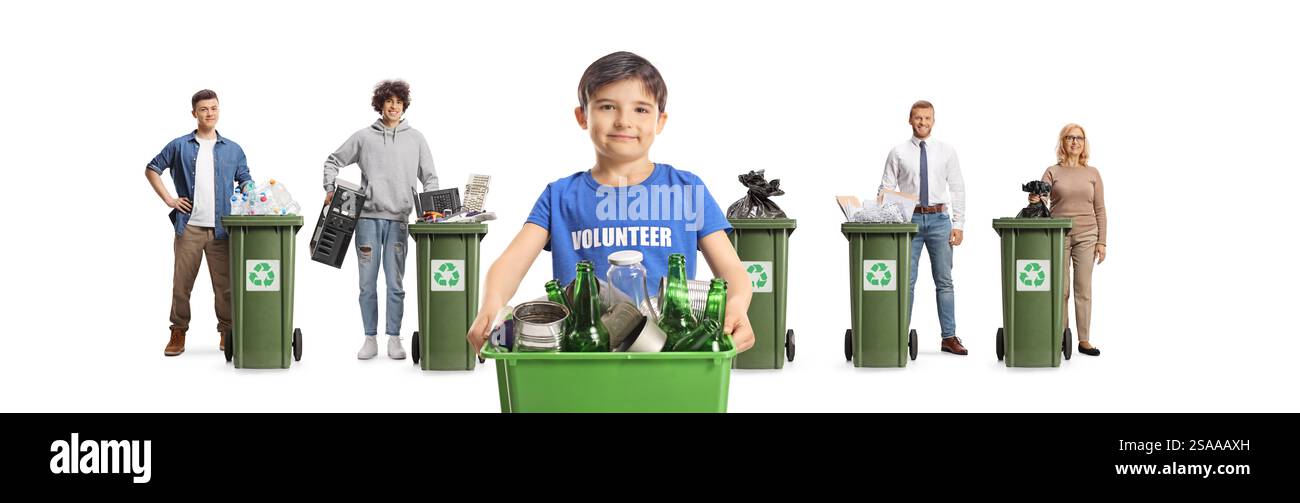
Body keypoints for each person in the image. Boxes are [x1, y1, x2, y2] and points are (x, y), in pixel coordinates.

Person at [465, 51, 756, 353]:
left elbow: (732, 271)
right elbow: (511, 263)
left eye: (641, 110)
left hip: (666, 356)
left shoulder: (686, 189)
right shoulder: (560, 196)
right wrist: (491, 304)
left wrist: (737, 306)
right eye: (607, 106)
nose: (623, 121)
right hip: (584, 357)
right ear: (583, 116)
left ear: (660, 121)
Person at [322, 80, 439, 360]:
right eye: (389, 101)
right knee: (367, 283)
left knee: (396, 284)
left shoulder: (416, 138)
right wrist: (330, 188)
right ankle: (370, 338)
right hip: (367, 220)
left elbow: (430, 177)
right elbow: (332, 160)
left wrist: (431, 209)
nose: (394, 106)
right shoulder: (364, 137)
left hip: (399, 220)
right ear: (381, 105)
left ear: (404, 105)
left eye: (399, 102)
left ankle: (394, 338)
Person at [145, 89, 254, 357]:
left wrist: (253, 194)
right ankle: (178, 331)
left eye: (214, 108)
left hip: (222, 230)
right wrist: (170, 200)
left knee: (226, 286)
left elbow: (245, 179)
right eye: (204, 109)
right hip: (189, 227)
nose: (210, 113)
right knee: (182, 285)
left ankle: (227, 332)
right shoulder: (179, 145)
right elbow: (152, 168)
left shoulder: (233, 149)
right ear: (194, 113)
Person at [879, 100, 968, 355]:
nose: (922, 123)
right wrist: (885, 218)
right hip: (910, 222)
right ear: (910, 119)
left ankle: (949, 337)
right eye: (918, 118)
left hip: (940, 219)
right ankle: (899, 335)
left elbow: (958, 187)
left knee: (945, 281)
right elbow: (885, 189)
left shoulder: (946, 151)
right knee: (906, 281)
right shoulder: (898, 152)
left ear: (933, 120)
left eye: (927, 118)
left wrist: (958, 224)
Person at [1030, 123, 1107, 356]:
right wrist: (1035, 198)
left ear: (1084, 143)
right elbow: (1041, 199)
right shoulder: (1052, 171)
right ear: (1063, 142)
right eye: (1070, 138)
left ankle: (1084, 340)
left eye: (1079, 138)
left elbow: (1100, 208)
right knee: (1060, 289)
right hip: (1058, 233)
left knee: (1083, 288)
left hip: (1087, 234)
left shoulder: (1092, 173)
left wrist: (1102, 241)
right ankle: (1062, 337)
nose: (1075, 141)